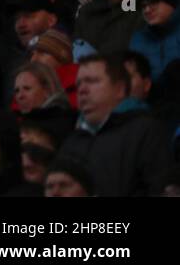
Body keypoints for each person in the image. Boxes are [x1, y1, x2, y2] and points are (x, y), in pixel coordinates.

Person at [53, 54, 170, 196]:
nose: (82, 90)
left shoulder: (146, 131)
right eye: (79, 84)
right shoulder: (71, 142)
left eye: (92, 81)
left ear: (120, 89)